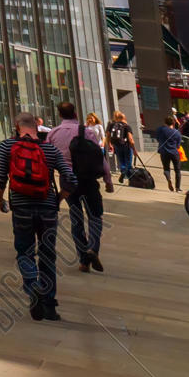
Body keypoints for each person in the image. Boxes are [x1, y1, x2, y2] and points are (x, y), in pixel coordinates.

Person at [0, 112, 76, 321]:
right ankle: (49, 304)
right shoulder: (49, 149)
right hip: (47, 208)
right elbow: (71, 178)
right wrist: (59, 198)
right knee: (48, 254)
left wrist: (0, 200)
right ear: (37, 127)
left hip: (21, 207)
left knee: (25, 251)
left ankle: (33, 287)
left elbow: (0, 177)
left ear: (16, 126)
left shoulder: (7, 147)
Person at [47, 102, 114, 273]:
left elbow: (46, 157)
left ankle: (84, 261)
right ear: (75, 113)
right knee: (95, 216)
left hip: (68, 181)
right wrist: (108, 181)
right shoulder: (86, 132)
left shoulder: (53, 133)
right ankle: (93, 248)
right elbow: (99, 157)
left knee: (76, 218)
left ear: (60, 115)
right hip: (88, 180)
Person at [155, 115, 184, 191]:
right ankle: (178, 187)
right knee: (177, 170)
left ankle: (168, 179)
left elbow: (157, 138)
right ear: (173, 123)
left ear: (165, 122)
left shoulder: (160, 129)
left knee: (166, 169)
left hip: (164, 152)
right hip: (174, 153)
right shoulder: (177, 133)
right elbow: (178, 145)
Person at [107, 111, 135, 183]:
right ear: (124, 118)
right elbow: (130, 139)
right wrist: (134, 149)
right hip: (127, 146)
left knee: (121, 161)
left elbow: (108, 135)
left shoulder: (112, 125)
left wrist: (109, 144)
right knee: (128, 162)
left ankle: (123, 171)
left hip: (117, 145)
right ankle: (130, 179)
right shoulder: (127, 126)